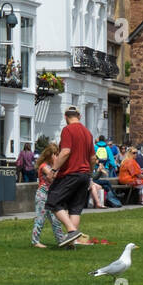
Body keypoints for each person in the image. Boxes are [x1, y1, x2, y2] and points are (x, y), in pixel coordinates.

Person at [46, 106, 95, 247]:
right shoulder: (88, 133)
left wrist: (54, 170)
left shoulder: (68, 130)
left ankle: (72, 231)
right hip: (84, 175)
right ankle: (71, 242)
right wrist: (89, 173)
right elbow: (93, 158)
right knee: (75, 207)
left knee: (53, 201)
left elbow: (65, 152)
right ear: (79, 116)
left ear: (65, 117)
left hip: (70, 174)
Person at [29, 144, 68, 248]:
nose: (57, 157)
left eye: (57, 155)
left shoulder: (52, 167)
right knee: (40, 219)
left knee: (56, 220)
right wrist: (57, 163)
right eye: (55, 155)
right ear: (49, 155)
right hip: (42, 195)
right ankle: (35, 241)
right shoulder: (44, 167)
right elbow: (53, 177)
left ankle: (61, 240)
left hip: (50, 196)